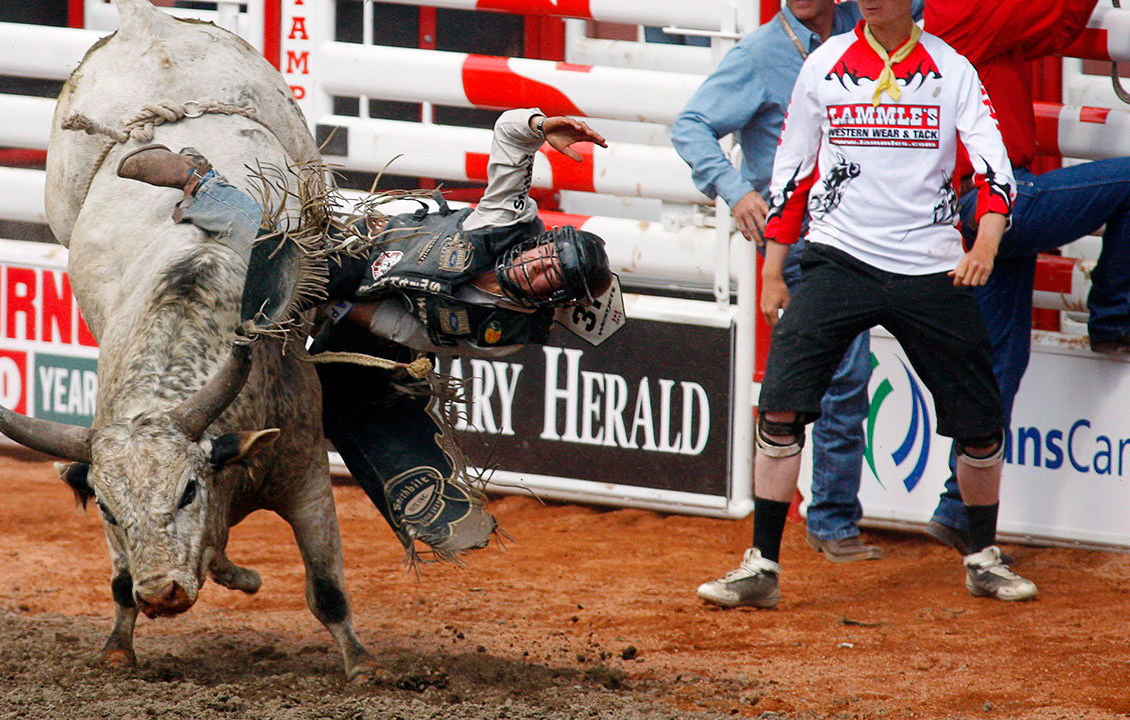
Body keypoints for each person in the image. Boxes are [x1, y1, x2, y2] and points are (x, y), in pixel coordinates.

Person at [115, 108, 614, 563]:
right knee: (292, 254)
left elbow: (413, 332)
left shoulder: (502, 331)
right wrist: (539, 127)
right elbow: (508, 136)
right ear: (540, 242)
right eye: (543, 257)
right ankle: (199, 181)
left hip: (383, 319)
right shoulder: (504, 220)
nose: (535, 269)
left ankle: (210, 194)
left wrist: (342, 304)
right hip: (373, 244)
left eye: (549, 278)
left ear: (551, 300)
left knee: (340, 369)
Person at [694, 0, 1038, 608]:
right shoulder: (823, 64)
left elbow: (994, 169)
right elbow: (793, 172)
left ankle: (982, 557)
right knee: (778, 409)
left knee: (981, 424)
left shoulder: (951, 66)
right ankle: (761, 566)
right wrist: (774, 269)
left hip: (930, 263)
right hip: (836, 258)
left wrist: (983, 244)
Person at [671, 0, 921, 563]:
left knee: (835, 374)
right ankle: (830, 522)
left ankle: (823, 522)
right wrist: (736, 191)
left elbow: (691, 125)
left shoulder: (865, 25)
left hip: (850, 232)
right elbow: (690, 125)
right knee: (841, 374)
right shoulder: (763, 54)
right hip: (808, 239)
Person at [921, 0, 1130, 555]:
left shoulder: (967, 19)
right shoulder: (963, 11)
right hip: (995, 196)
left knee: (1001, 359)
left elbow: (1053, 24)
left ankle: (955, 508)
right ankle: (1113, 316)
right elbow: (1049, 14)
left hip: (983, 200)